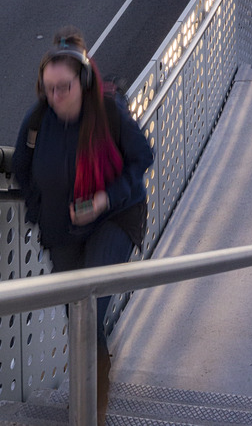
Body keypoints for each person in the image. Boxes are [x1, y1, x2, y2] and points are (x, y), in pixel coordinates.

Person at [13, 31, 154, 426]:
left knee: (88, 306)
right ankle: (92, 390)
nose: (56, 96)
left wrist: (106, 199)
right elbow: (23, 173)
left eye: (64, 87)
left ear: (84, 82)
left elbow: (143, 158)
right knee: (80, 319)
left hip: (115, 218)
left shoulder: (108, 113)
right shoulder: (38, 120)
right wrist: (42, 214)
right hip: (62, 233)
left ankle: (92, 411)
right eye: (49, 88)